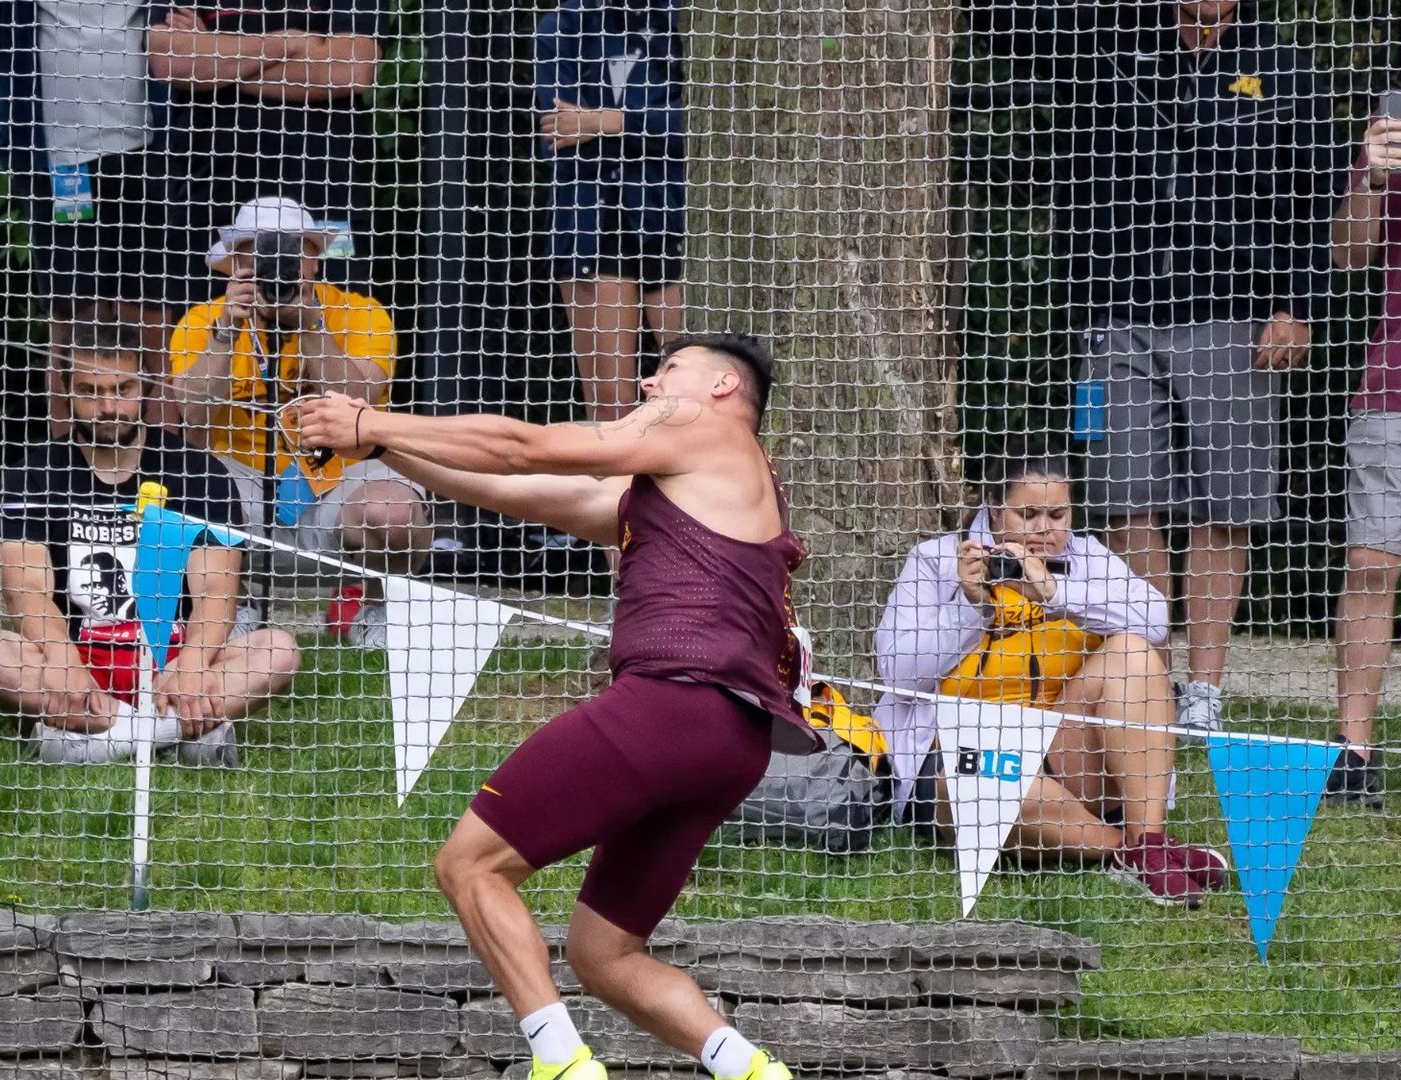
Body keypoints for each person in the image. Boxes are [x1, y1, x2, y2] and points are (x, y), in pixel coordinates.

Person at [298, 334, 808, 1080]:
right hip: (732, 740)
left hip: (671, 706)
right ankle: (755, 1072)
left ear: (724, 388)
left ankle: (561, 1064)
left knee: (469, 867)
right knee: (605, 957)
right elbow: (503, 486)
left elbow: (519, 444)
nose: (647, 379)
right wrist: (368, 448)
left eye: (668, 368)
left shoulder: (700, 426)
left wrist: (371, 423)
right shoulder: (681, 485)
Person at [972, 0, 1346, 730]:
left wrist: (1301, 306)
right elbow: (1002, 24)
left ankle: (1203, 691)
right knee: (1124, 497)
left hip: (1235, 314)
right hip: (1114, 312)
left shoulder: (1285, 68)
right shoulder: (1102, 39)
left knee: (1226, 507)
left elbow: (1317, 200)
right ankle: (1150, 676)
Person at [873, 456, 1229, 908]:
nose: (1045, 530)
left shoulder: (1086, 557)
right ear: (994, 507)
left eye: (1058, 516)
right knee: (991, 795)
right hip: (960, 756)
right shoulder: (934, 561)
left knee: (1133, 653)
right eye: (1028, 515)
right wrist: (969, 606)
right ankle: (1135, 852)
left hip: (1060, 746)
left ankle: (1146, 840)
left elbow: (1156, 619)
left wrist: (1058, 594)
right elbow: (899, 672)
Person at [0, 319, 301, 765]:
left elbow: (217, 593)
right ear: (67, 391)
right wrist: (66, 665)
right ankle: (183, 735)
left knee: (277, 650)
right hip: (77, 658)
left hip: (174, 659)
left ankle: (88, 742)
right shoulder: (31, 476)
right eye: (90, 392)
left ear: (145, 385)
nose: (109, 407)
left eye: (122, 389)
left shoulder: (199, 473)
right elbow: (26, 593)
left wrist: (194, 664)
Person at [168, 196, 430, 647]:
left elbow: (361, 398)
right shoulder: (202, 320)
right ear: (234, 261)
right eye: (259, 251)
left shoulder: (360, 311)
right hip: (243, 489)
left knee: (394, 514)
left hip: (340, 476)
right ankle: (232, 608)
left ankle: (377, 605)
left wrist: (310, 327)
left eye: (293, 251)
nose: (278, 264)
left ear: (314, 258)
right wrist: (226, 335)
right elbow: (190, 419)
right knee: (182, 499)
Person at [0, 0, 182, 376]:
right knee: (74, 317)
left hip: (151, 150)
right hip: (61, 161)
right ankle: (66, 437)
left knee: (151, 315)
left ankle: (162, 436)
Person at [146, 0, 383, 303]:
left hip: (323, 197)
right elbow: (174, 63)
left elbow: (350, 70)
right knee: (214, 335)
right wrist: (288, 42)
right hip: (212, 197)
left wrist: (216, 56)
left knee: (332, 331)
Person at [534, 0, 688, 423]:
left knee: (694, 400)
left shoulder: (687, 19)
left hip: (673, 215)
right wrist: (651, 131)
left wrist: (607, 121)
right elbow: (556, 139)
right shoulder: (559, 28)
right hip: (588, 219)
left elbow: (705, 129)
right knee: (610, 413)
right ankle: (620, 492)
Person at [1322, 100, 1401, 808]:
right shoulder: (1394, 128)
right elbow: (1348, 253)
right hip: (1393, 385)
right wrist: (1370, 180)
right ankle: (1355, 752)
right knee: (1372, 560)